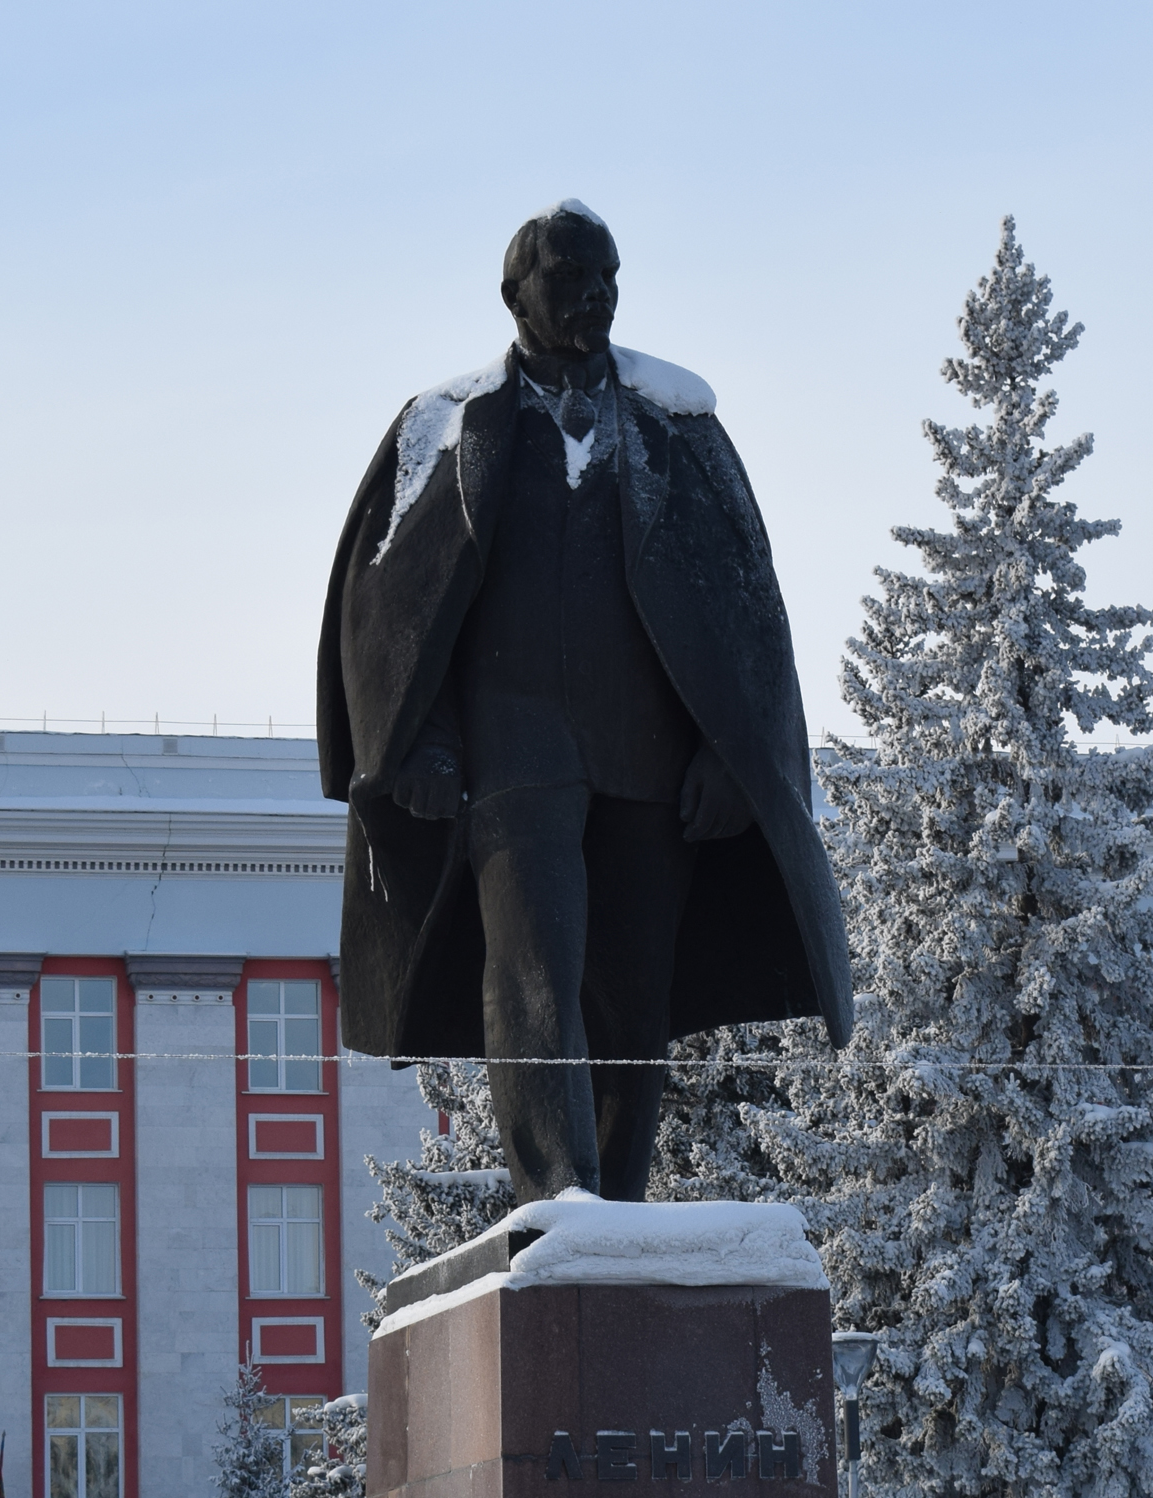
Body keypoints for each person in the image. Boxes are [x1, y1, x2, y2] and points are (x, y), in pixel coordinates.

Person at [317, 199, 850, 1203]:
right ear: (514, 295)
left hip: (648, 758)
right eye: (568, 280)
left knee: (629, 998)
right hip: (511, 756)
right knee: (530, 972)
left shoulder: (674, 422)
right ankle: (556, 1199)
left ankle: (616, 1211)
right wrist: (417, 739)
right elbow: (387, 605)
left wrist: (732, 756)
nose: (592, 298)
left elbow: (748, 600)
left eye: (605, 279)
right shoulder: (447, 425)